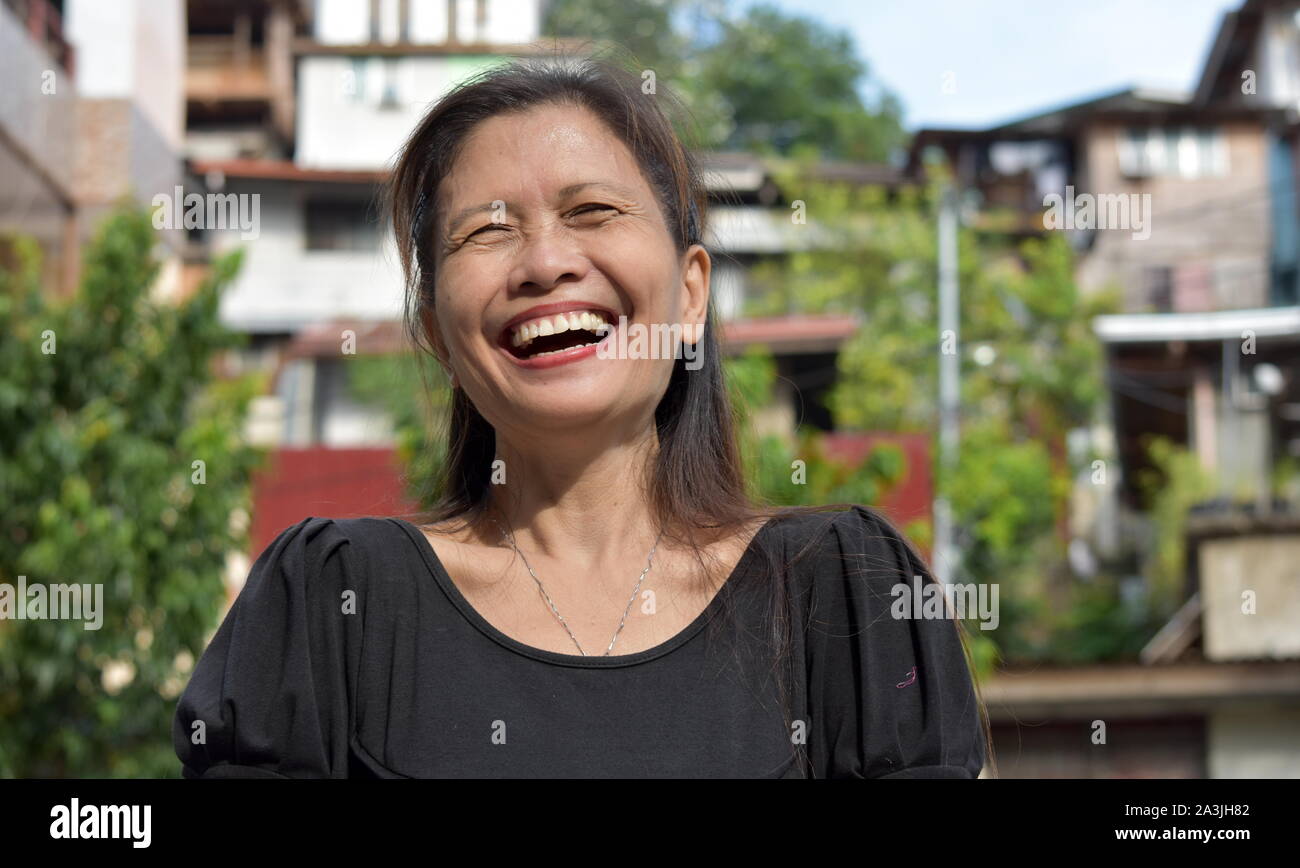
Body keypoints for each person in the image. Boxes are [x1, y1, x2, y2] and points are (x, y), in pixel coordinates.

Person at [172, 52, 991, 778]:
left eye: (593, 212)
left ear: (691, 291)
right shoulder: (330, 604)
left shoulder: (843, 595)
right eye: (485, 231)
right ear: (436, 334)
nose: (546, 262)